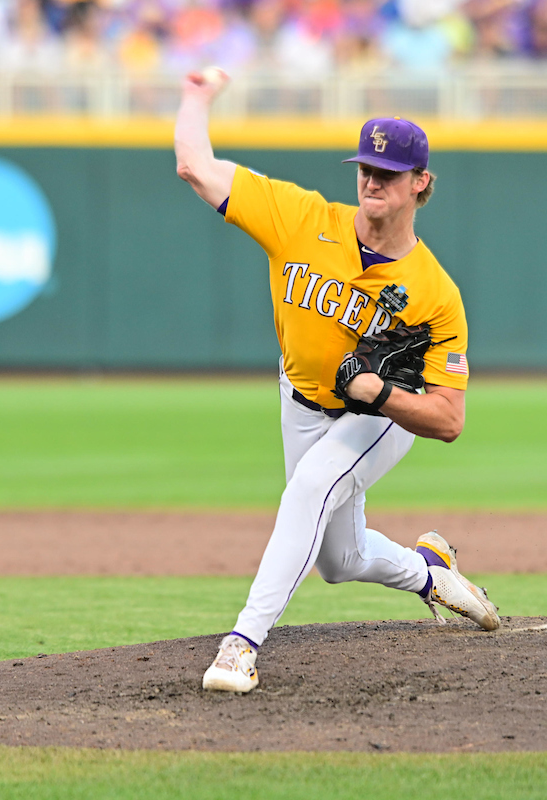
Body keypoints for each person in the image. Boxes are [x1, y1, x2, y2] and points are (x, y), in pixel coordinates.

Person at [173, 68, 500, 694]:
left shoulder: (436, 293)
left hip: (378, 417)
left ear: (420, 182)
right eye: (366, 169)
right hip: (299, 401)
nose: (372, 181)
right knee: (339, 559)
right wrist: (197, 94)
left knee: (309, 489)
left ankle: (242, 645)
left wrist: (383, 394)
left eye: (389, 173)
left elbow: (450, 419)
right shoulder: (301, 218)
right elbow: (195, 165)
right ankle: (430, 572)